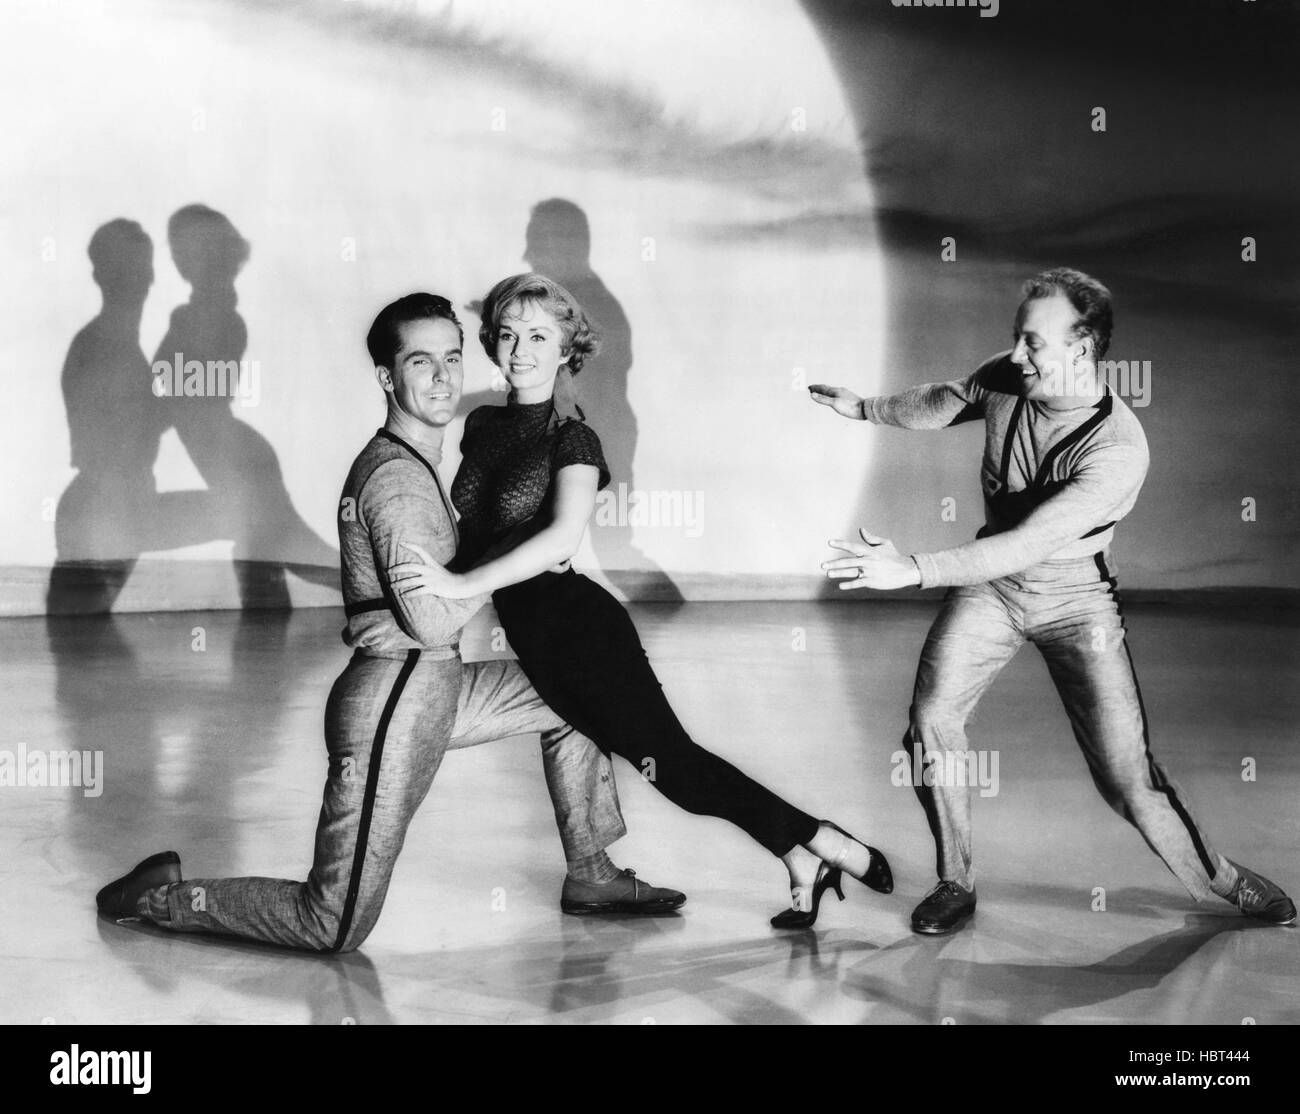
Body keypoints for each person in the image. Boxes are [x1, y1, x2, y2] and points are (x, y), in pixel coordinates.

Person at [96, 293, 686, 952]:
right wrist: (535, 545)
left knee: (576, 696)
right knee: (333, 925)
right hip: (392, 705)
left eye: (453, 359)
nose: (441, 377)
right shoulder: (399, 482)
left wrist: (526, 543)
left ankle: (592, 872)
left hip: (435, 686)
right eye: (420, 361)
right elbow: (432, 622)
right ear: (387, 377)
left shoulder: (419, 463)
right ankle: (159, 896)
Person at [390, 273, 894, 929]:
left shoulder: (573, 439)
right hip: (534, 639)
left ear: (568, 346)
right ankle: (801, 857)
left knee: (675, 772)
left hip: (579, 630)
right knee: (672, 768)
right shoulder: (482, 424)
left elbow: (562, 538)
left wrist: (463, 584)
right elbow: (475, 531)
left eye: (539, 335)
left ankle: (828, 843)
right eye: (509, 334)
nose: (520, 350)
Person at [809, 266, 1295, 935]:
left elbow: (1029, 542)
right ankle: (957, 881)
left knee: (1128, 783)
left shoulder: (1118, 449)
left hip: (1077, 603)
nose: (1016, 355)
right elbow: (948, 397)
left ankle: (1223, 879)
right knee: (931, 721)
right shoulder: (1010, 377)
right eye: (1017, 338)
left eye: (1034, 343)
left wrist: (913, 569)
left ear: (1083, 348)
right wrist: (864, 407)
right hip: (993, 590)